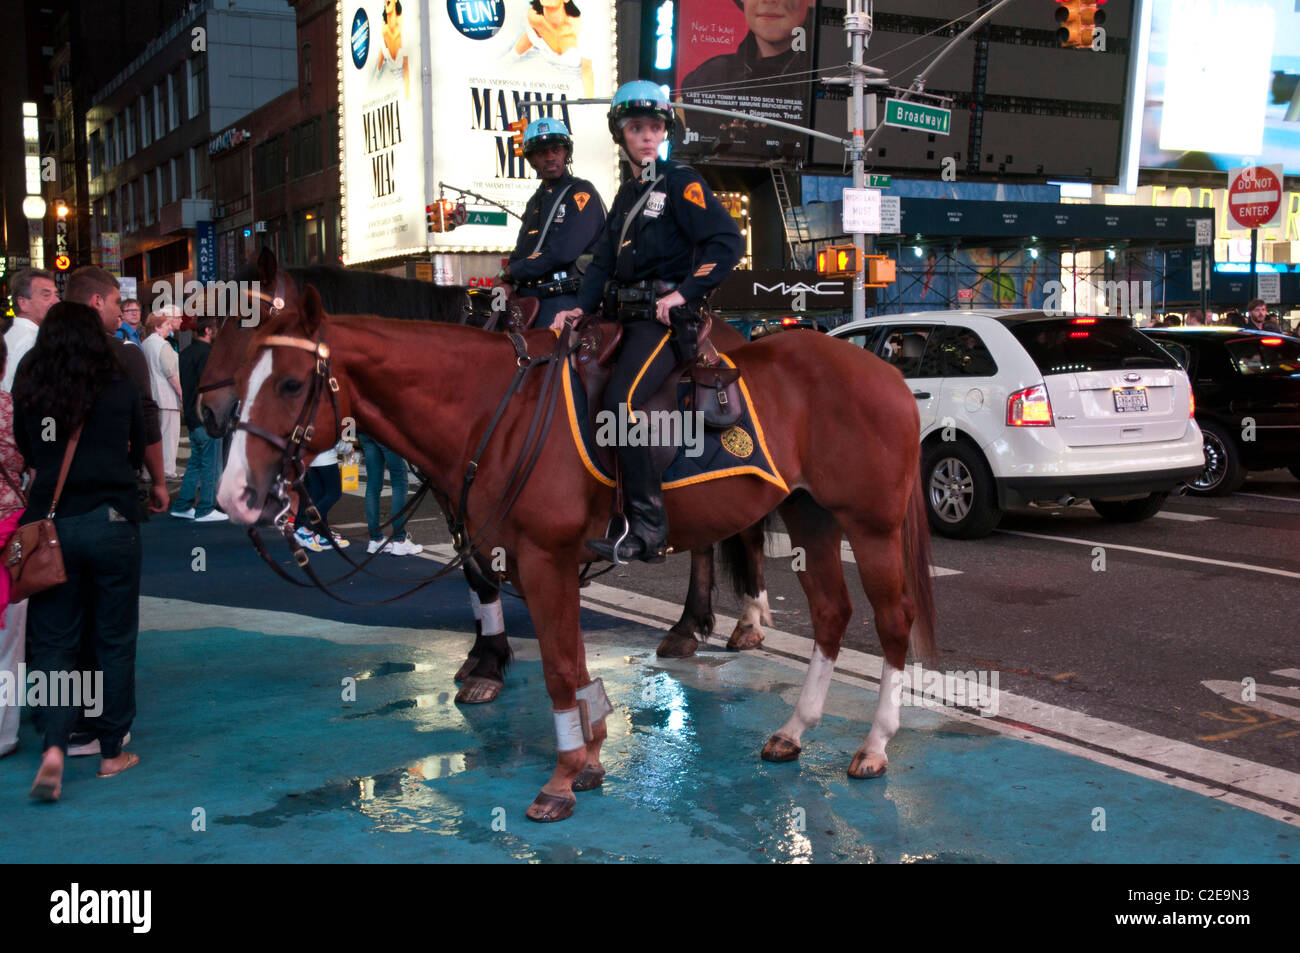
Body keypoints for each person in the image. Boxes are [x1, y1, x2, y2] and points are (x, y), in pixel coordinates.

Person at [555, 80, 743, 563]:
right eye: (636, 128)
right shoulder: (627, 194)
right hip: (620, 318)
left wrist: (684, 292)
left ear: (664, 134)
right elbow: (600, 262)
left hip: (661, 323)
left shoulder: (682, 181)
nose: (646, 136)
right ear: (621, 135)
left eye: (654, 127)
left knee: (621, 403)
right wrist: (579, 305)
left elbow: (726, 242)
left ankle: (647, 527)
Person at [14, 302, 165, 800]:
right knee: (113, 639)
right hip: (113, 519)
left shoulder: (31, 384)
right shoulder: (117, 382)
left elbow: (30, 452)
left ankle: (54, 746)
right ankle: (110, 752)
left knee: (54, 643)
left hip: (50, 527)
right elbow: (139, 441)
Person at [62, 266, 166, 508]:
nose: (120, 311)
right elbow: (146, 419)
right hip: (110, 496)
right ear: (97, 301)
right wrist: (158, 482)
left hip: (55, 498)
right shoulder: (125, 354)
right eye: (117, 302)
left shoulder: (39, 356)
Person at [498, 117, 606, 331]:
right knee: (487, 329)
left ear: (566, 153)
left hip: (563, 296)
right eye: (541, 152)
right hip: (527, 294)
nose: (550, 157)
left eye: (556, 150)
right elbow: (522, 250)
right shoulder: (535, 201)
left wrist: (511, 271)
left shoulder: (581, 192)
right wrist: (504, 281)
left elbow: (562, 251)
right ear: (532, 159)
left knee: (541, 351)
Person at [0, 336, 28, 758]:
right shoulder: (11, 409)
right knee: (11, 642)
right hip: (8, 528)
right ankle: (3, 732)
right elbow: (27, 461)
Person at [172, 316, 226, 522]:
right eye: (215, 329)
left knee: (195, 462)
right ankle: (205, 508)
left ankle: (182, 504)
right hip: (207, 417)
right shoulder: (208, 355)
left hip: (192, 416)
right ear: (208, 331)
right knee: (211, 464)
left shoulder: (185, 353)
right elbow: (210, 388)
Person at [511, 0, 596, 97]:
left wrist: (589, 104)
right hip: (543, 91)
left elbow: (587, 71)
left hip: (574, 93)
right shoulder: (534, 19)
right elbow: (519, 49)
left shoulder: (580, 28)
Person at [358, 433, 421, 555]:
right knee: (399, 480)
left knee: (372, 483)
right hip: (383, 431)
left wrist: (349, 435)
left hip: (365, 432)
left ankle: (375, 539)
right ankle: (400, 540)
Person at [2, 267, 59, 392]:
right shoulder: (31, 342)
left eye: (56, 294)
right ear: (23, 303)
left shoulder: (10, 336)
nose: (56, 301)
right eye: (46, 295)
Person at [141, 308, 183, 478]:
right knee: (168, 437)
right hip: (166, 398)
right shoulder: (162, 345)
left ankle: (147, 472)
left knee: (152, 437)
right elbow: (171, 374)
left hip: (150, 397)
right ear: (157, 327)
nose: (169, 328)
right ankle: (167, 470)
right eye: (166, 325)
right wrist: (182, 394)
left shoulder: (144, 344)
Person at [294, 442, 351, 553]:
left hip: (310, 456)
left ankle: (322, 534)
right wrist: (348, 448)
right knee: (334, 493)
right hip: (326, 457)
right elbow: (333, 437)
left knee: (318, 496)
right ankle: (306, 529)